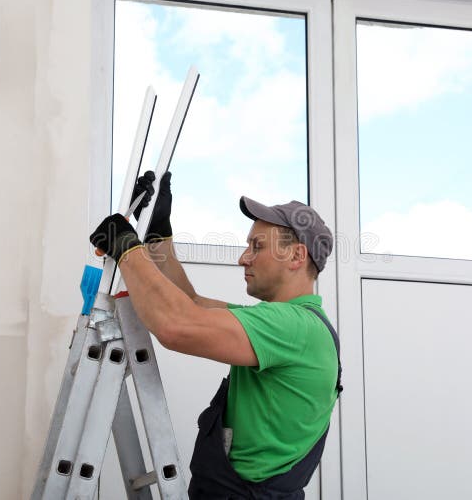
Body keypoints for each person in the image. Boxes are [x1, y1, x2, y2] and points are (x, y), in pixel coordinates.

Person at [90, 171, 341, 499]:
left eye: (256, 246)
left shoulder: (293, 328)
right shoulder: (286, 324)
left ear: (296, 256)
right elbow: (190, 303)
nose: (243, 258)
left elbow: (177, 325)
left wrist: (126, 247)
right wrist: (156, 233)